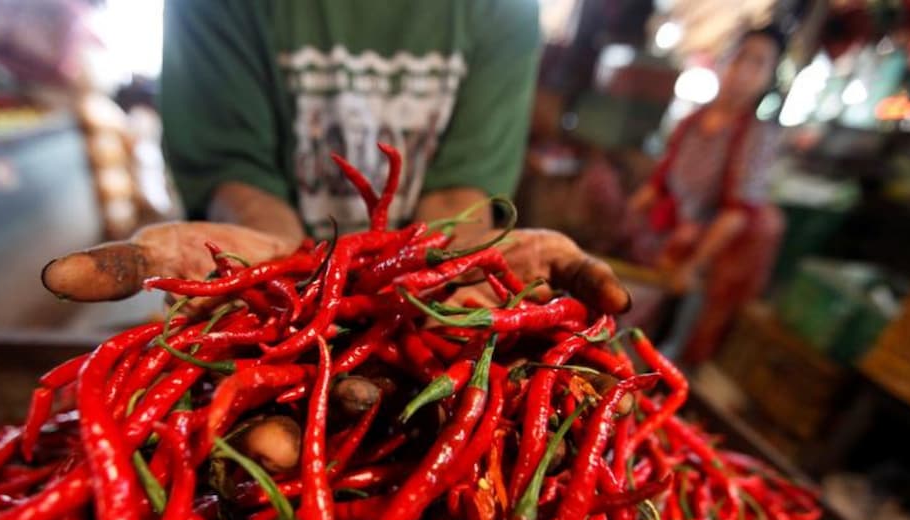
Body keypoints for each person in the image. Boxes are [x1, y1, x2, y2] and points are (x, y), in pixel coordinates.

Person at [41, 0, 630, 316]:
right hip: (267, 297)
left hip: (413, 303)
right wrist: (276, 267)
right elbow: (235, 170)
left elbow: (461, 190)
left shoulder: (503, 9)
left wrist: (451, 268)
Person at [625, 26, 787, 363]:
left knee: (657, 349)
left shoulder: (756, 137)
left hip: (701, 260)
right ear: (725, 60)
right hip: (661, 243)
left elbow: (735, 214)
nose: (744, 70)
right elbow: (659, 184)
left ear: (768, 77)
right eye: (741, 57)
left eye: (758, 63)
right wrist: (627, 216)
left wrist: (693, 265)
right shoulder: (692, 121)